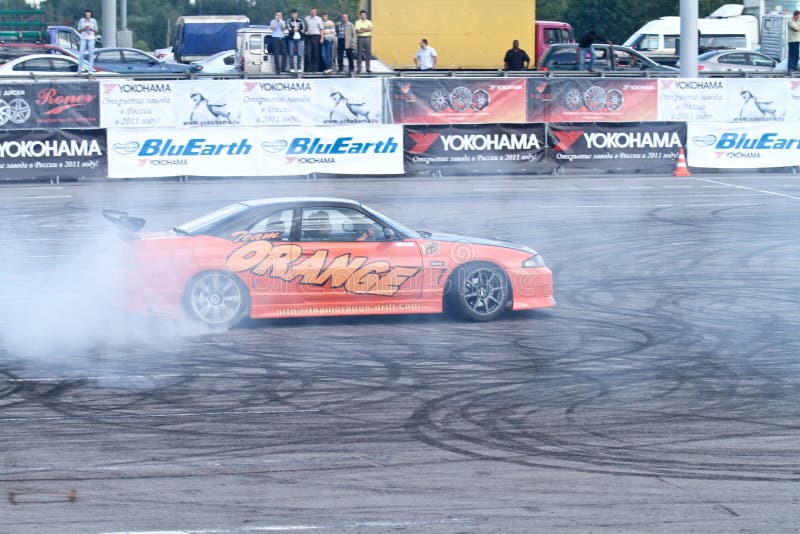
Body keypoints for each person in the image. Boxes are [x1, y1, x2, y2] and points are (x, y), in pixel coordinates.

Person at [304, 7, 324, 72]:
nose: (313, 13)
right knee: (308, 53)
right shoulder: (307, 18)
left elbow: (321, 29)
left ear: (316, 12)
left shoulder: (319, 19)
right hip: (309, 37)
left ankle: (315, 68)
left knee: (316, 53)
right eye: (312, 11)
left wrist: (322, 38)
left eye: (314, 11)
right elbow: (306, 28)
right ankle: (309, 68)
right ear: (310, 12)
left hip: (316, 36)